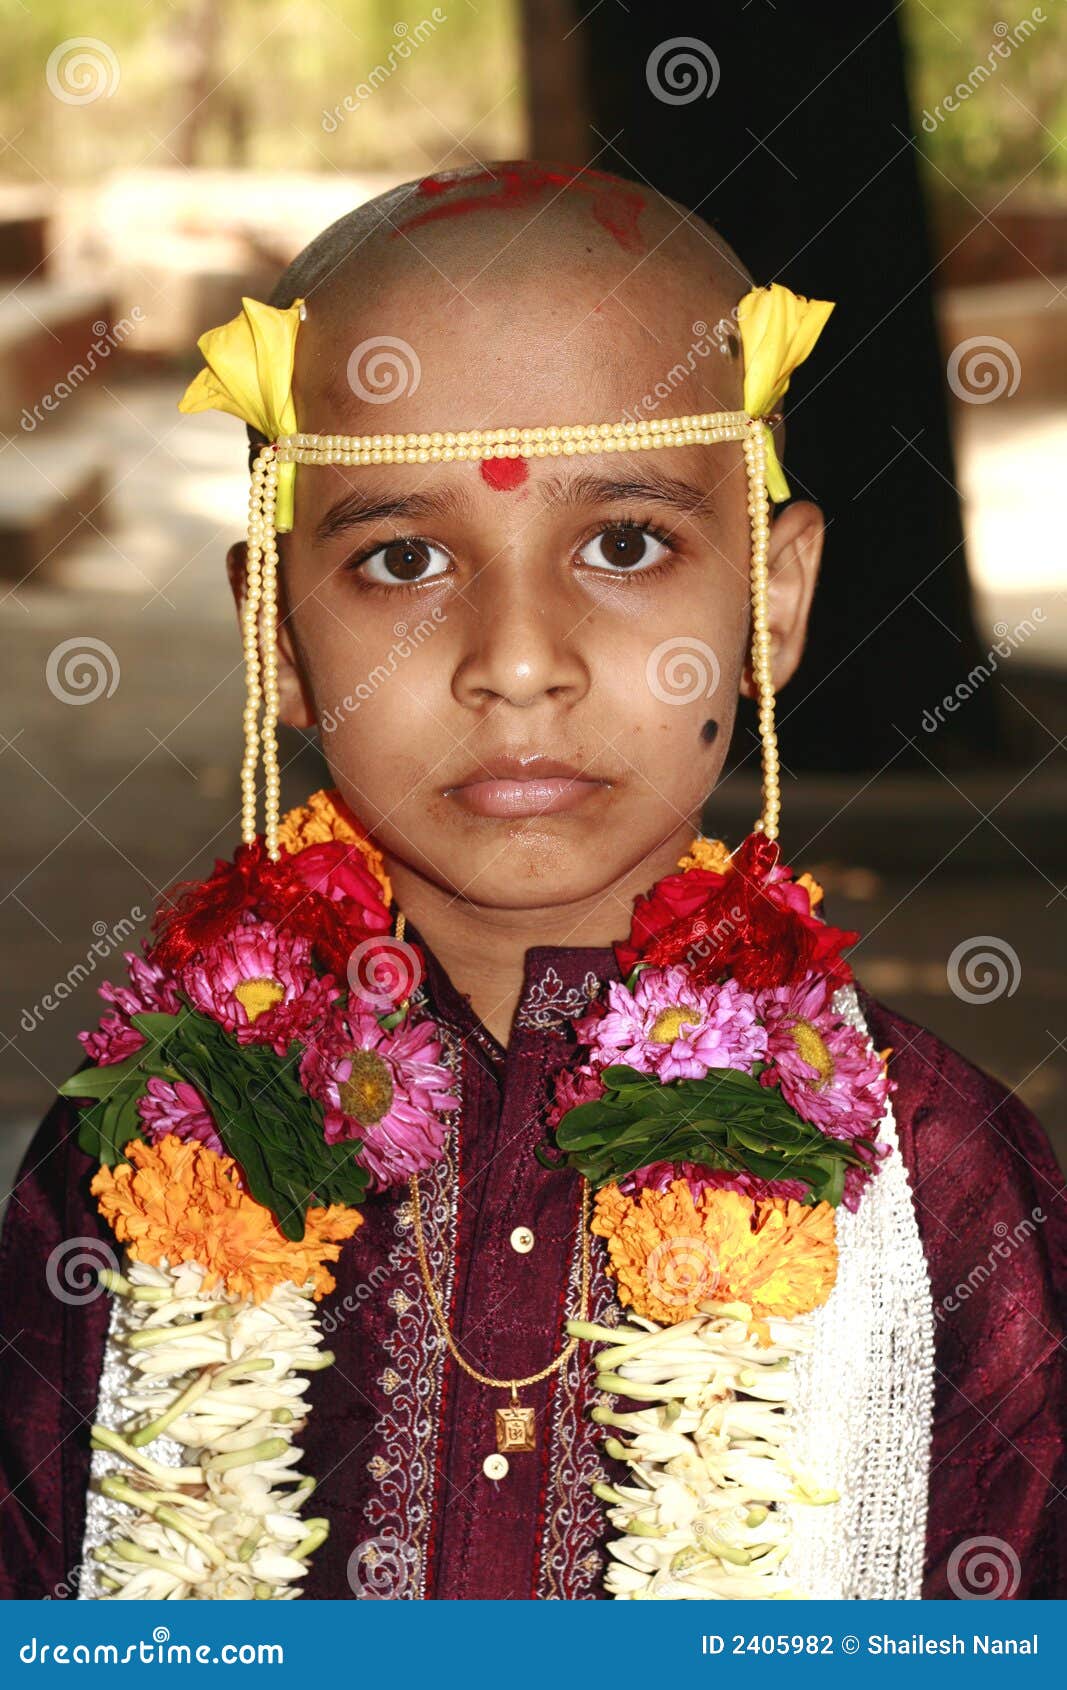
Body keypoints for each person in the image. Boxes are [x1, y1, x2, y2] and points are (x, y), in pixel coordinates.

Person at [0, 161, 1063, 1601]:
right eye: (404, 554)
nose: (514, 658)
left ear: (773, 594)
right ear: (281, 640)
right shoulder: (137, 1165)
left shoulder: (940, 1177)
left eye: (624, 543)